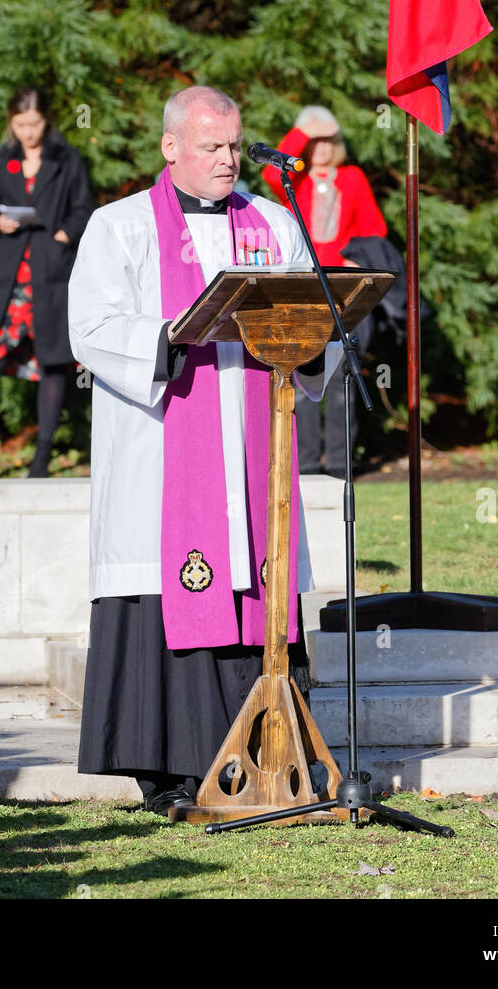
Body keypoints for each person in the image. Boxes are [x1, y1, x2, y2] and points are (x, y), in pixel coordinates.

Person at [68, 86, 341, 815]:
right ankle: (172, 771)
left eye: (232, 146)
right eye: (210, 147)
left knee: (254, 583)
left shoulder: (275, 224)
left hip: (255, 456)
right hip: (163, 450)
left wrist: (317, 346)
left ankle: (272, 760)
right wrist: (169, 336)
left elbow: (320, 323)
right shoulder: (120, 227)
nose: (227, 160)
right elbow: (90, 327)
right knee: (170, 591)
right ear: (170, 148)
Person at [0, 86, 96, 479]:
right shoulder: (0, 160)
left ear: (47, 120)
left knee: (52, 363)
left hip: (49, 272)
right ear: (10, 122)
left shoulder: (67, 159)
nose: (27, 132)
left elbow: (85, 209)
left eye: (34, 123)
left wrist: (63, 236)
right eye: (20, 124)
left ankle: (41, 457)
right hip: (7, 275)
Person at [263, 105, 388, 477]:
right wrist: (303, 129)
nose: (318, 147)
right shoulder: (293, 181)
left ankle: (337, 465)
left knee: (339, 380)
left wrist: (357, 261)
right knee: (301, 379)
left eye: (325, 140)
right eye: (311, 141)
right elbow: (272, 169)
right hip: (302, 285)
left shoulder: (352, 178)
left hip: (341, 287)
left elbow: (373, 229)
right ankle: (303, 466)